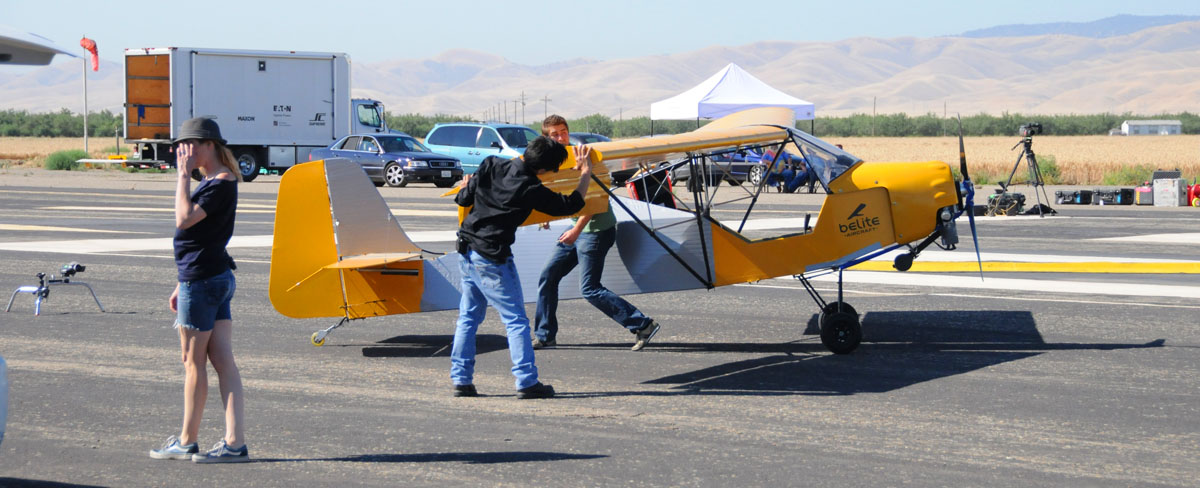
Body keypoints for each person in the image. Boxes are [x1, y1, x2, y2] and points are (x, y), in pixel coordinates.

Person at [451, 135, 591, 399]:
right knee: (515, 322)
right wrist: (585, 173)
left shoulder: (491, 164)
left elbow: (462, 199)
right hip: (492, 258)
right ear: (542, 169)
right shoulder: (530, 188)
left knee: (468, 318)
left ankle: (461, 380)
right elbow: (570, 204)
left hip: (466, 250)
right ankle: (526, 382)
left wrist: (468, 184)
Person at [148, 117, 249, 463]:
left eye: (188, 145)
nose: (182, 152)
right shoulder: (217, 181)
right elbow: (204, 239)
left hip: (204, 282)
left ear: (209, 145)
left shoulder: (219, 183)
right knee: (223, 361)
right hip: (212, 277)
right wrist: (181, 282)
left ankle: (186, 440)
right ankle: (234, 443)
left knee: (193, 363)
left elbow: (184, 218)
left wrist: (180, 175)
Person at [533, 115, 661, 351]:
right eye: (554, 134)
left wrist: (575, 230)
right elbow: (557, 192)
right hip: (577, 231)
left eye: (563, 132)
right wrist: (547, 217)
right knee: (548, 277)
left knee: (590, 289)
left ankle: (643, 324)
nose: (561, 137)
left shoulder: (583, 156)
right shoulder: (554, 161)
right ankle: (545, 335)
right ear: (546, 137)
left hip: (595, 231)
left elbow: (594, 199)